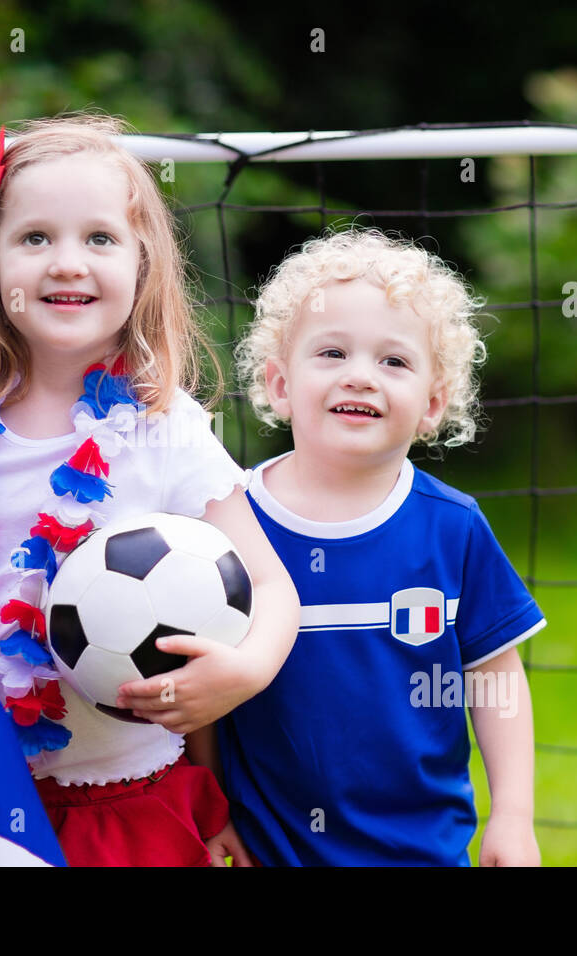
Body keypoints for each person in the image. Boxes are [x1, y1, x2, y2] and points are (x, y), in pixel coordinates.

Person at [0, 114, 299, 867]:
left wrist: (242, 672)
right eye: (35, 238)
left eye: (99, 239)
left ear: (143, 264)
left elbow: (267, 584)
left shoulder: (168, 430)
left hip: (131, 798)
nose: (67, 263)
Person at [205, 228, 544, 866]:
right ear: (279, 383)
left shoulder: (452, 526)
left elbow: (493, 675)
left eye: (394, 361)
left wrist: (515, 817)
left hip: (424, 850)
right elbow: (202, 686)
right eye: (332, 353)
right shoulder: (229, 520)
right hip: (275, 849)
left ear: (433, 404)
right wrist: (212, 803)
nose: (361, 377)